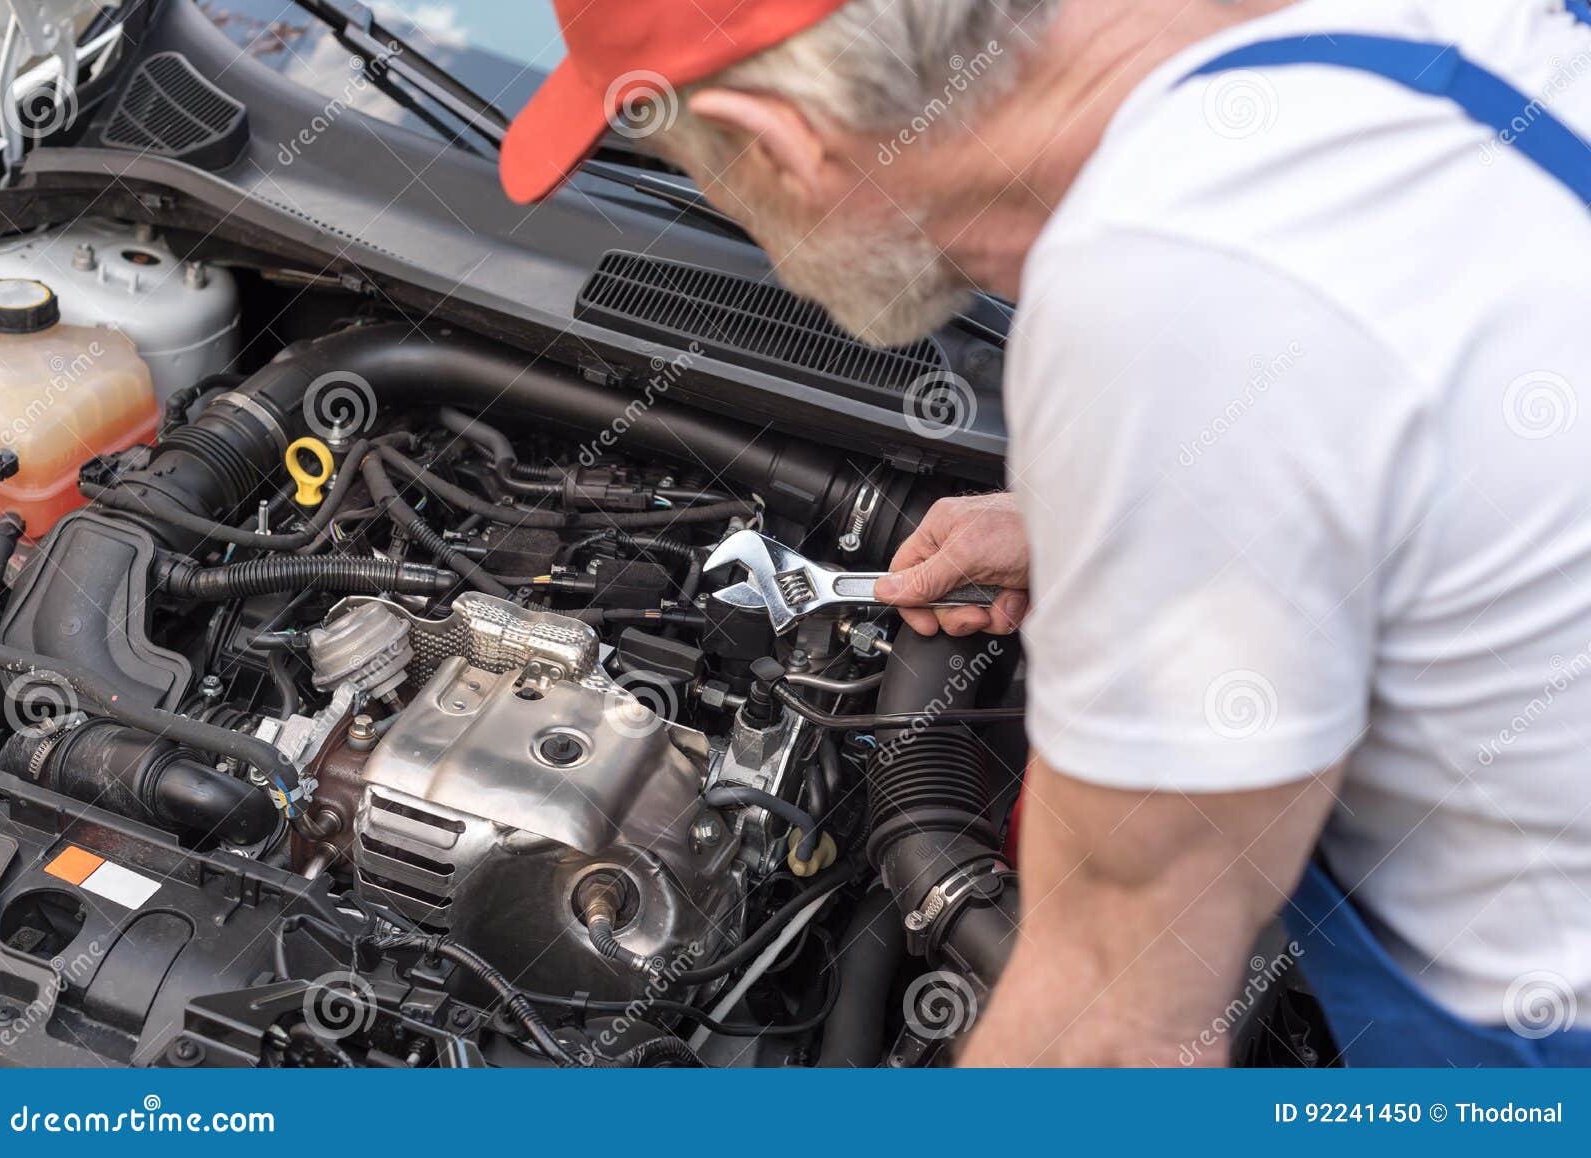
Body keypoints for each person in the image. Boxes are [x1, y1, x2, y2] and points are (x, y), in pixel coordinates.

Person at [500, 0, 1591, 1065]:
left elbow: (1117, 1031)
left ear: (786, 148)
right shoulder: (1406, 37)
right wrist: (1098, 520)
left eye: (706, 176)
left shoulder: (1167, 291)